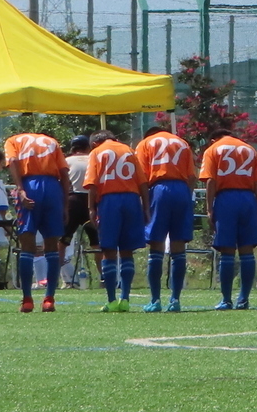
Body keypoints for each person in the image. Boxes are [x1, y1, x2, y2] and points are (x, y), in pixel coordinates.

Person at [2, 129, 70, 312]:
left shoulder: (13, 140)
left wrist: (20, 190)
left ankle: (27, 299)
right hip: (52, 187)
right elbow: (64, 173)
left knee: (27, 243)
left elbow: (14, 162)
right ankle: (49, 299)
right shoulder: (51, 141)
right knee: (51, 245)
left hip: (29, 184)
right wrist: (65, 204)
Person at [200, 126, 257, 310]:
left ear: (214, 140)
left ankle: (226, 299)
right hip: (248, 199)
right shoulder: (249, 149)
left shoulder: (213, 149)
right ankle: (243, 298)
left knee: (227, 250)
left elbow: (211, 180)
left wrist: (209, 208)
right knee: (247, 251)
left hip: (226, 199)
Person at [135, 124, 197, 312]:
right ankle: (175, 300)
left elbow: (141, 177)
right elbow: (192, 177)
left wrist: (145, 204)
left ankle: (155, 300)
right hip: (181, 190)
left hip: (159, 189)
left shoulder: (145, 143)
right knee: (179, 246)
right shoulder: (182, 143)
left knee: (156, 244)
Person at [81, 131, 143, 309]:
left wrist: (91, 208)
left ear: (94, 144)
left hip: (109, 200)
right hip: (132, 199)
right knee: (127, 250)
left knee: (108, 250)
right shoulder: (129, 151)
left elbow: (92, 183)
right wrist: (145, 207)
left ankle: (111, 300)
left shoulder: (97, 152)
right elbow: (143, 182)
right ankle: (125, 299)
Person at [64, 135, 95, 289]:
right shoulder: (93, 158)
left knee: (63, 240)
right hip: (92, 199)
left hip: (73, 200)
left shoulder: (67, 161)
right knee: (97, 243)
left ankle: (56, 277)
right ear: (88, 147)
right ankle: (105, 277)